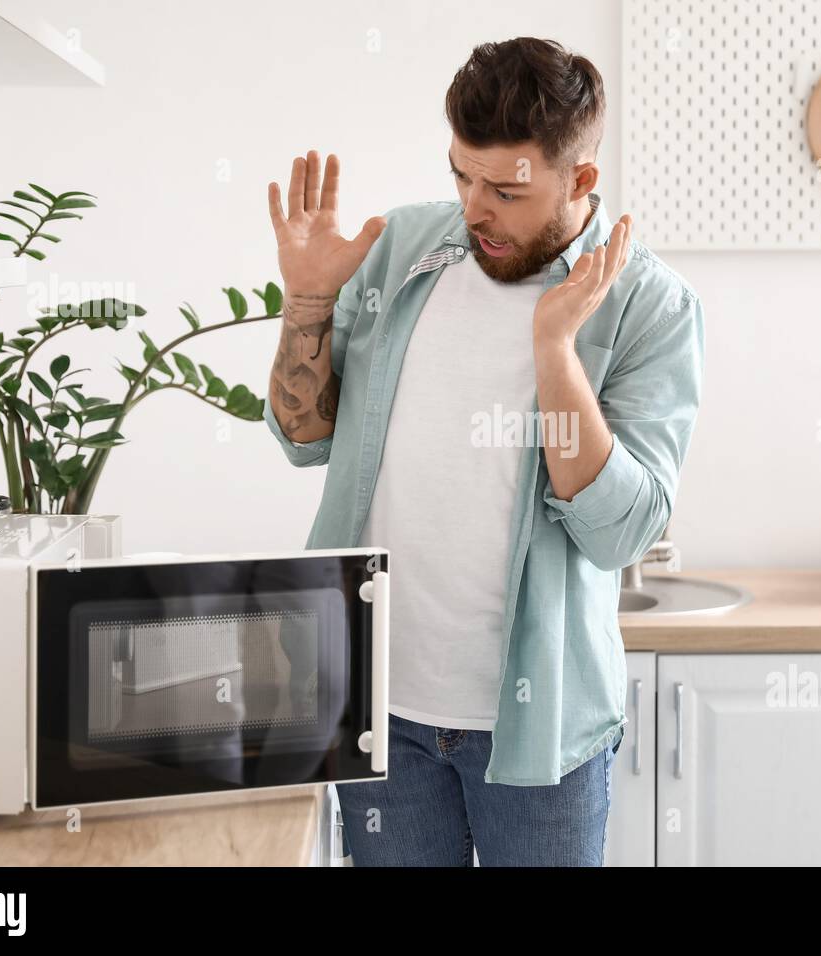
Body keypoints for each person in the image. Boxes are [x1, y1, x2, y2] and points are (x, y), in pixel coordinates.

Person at [264, 37, 705, 866]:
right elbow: (303, 435)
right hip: (378, 711)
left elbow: (621, 535)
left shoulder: (650, 306)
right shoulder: (401, 253)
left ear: (579, 180)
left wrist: (554, 351)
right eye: (462, 176)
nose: (475, 209)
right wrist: (311, 301)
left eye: (507, 188)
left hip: (539, 737)